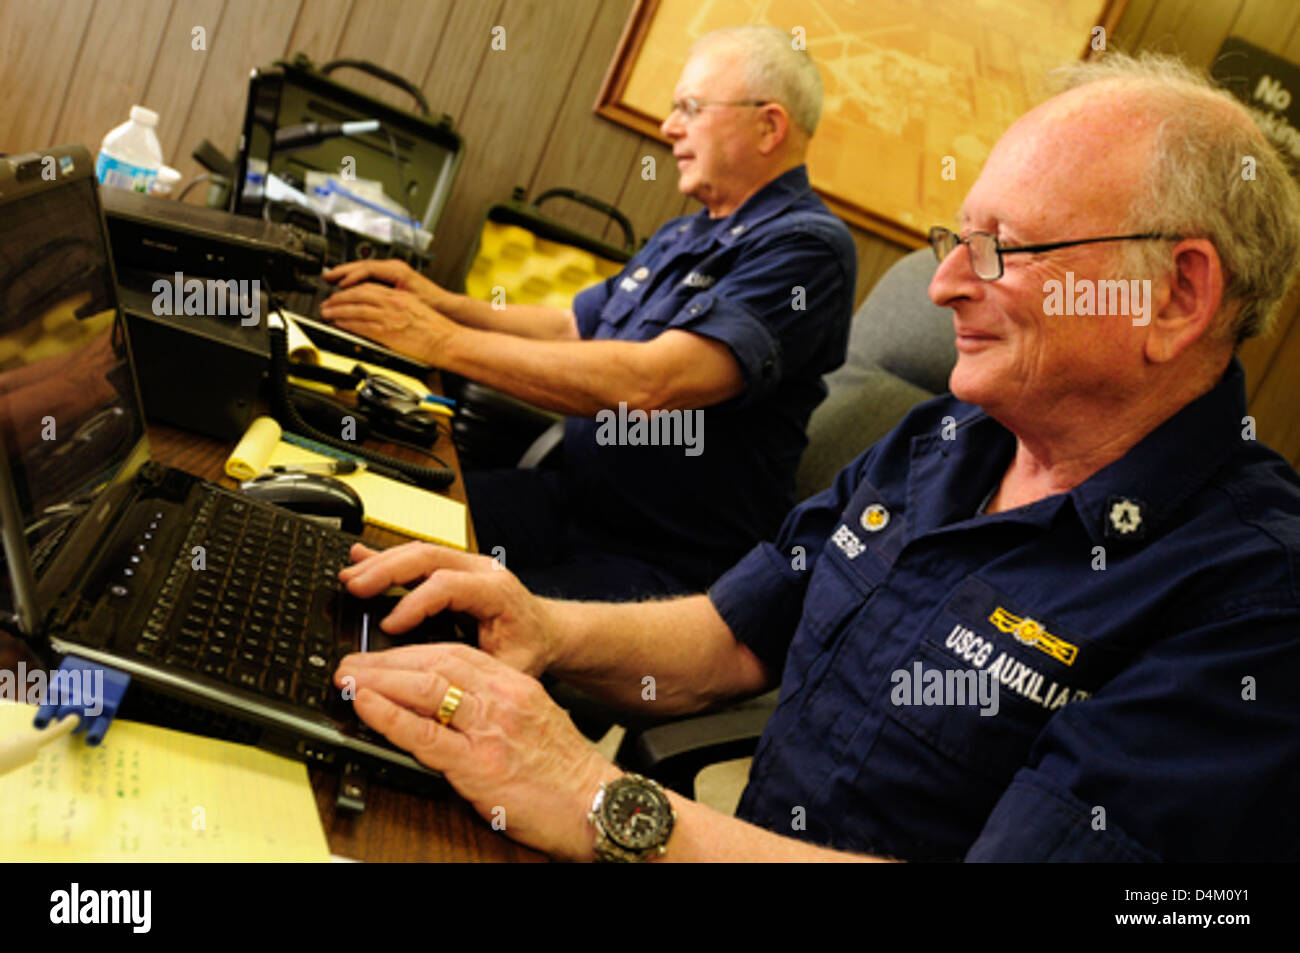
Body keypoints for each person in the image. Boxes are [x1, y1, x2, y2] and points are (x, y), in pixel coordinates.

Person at [331, 50, 1300, 861]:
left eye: (1001, 248)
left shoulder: (1256, 598)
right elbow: (734, 634)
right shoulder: (944, 439)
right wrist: (543, 626)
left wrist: (599, 795)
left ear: (1173, 297)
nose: (944, 286)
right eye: (952, 241)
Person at [319, 26, 856, 601]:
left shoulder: (807, 250)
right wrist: (435, 300)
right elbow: (573, 326)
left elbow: (653, 384)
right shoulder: (687, 231)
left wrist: (441, 341)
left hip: (661, 561)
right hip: (568, 501)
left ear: (768, 125)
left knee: (434, 614)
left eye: (690, 109)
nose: (669, 126)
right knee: (368, 517)